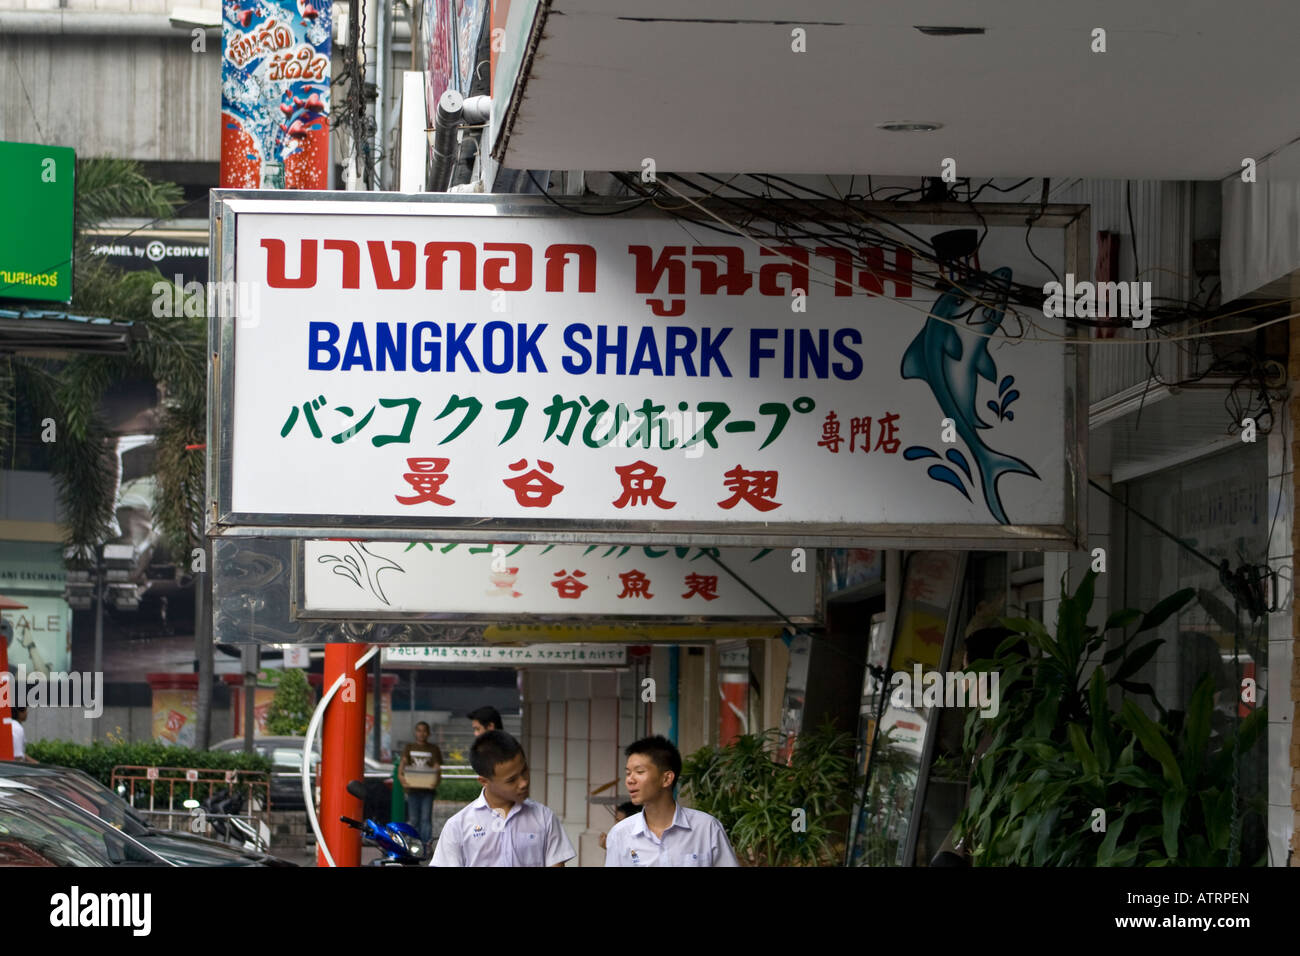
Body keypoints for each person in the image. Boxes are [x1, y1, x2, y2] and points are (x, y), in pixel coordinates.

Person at [430, 730, 574, 867]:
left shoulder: (544, 817)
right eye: (511, 780)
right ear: (484, 781)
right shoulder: (457, 826)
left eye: (524, 771)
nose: (523, 783)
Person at [604, 735, 738, 867]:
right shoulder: (620, 834)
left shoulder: (707, 828)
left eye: (639, 772)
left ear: (667, 779)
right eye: (628, 773)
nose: (630, 780)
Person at [399, 721, 442, 844]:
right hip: (412, 789)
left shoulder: (434, 749)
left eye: (424, 731)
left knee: (425, 819)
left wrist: (436, 781)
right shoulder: (409, 747)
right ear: (415, 732)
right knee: (413, 820)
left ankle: (426, 845)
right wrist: (401, 777)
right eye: (419, 731)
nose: (421, 733)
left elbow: (437, 768)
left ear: (428, 733)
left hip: (428, 790)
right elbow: (403, 764)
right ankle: (414, 845)